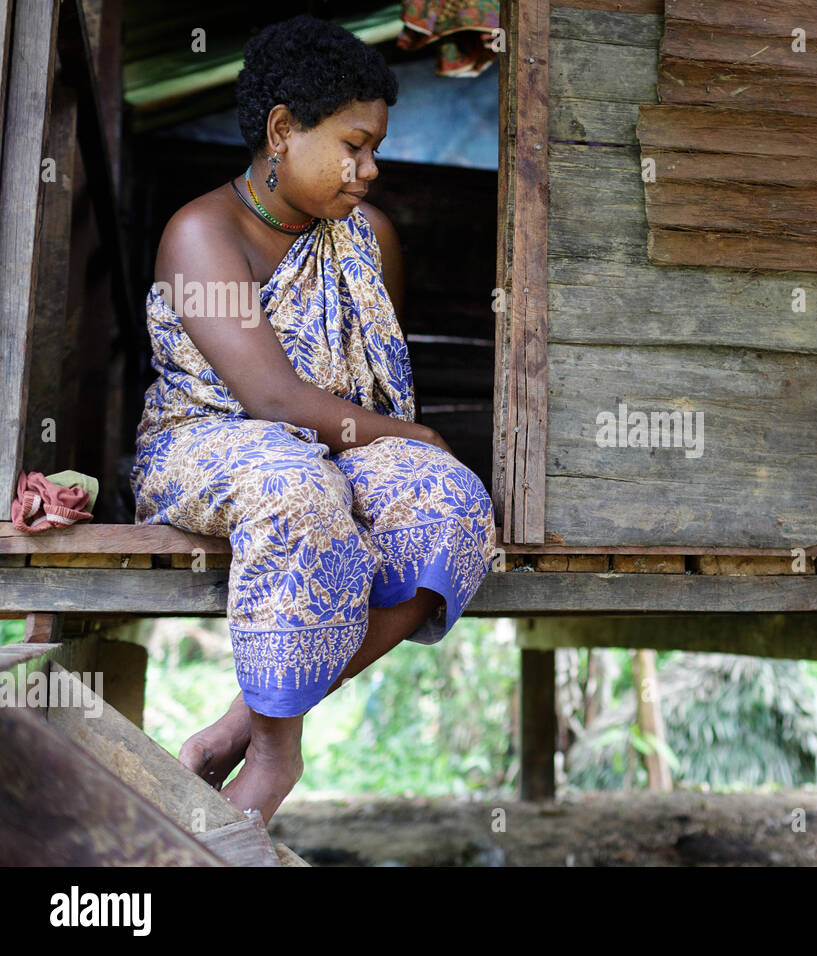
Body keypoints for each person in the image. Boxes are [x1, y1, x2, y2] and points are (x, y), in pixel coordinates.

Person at [129, 14, 496, 823]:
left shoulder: (367, 237)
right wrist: (418, 435)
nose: (369, 168)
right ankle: (278, 755)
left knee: (453, 500)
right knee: (300, 487)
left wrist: (418, 453)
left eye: (375, 148)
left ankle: (242, 727)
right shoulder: (201, 235)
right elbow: (273, 402)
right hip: (202, 447)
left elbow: (365, 393)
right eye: (352, 144)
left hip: (333, 447)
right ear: (282, 131)